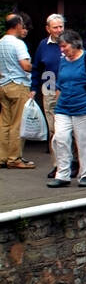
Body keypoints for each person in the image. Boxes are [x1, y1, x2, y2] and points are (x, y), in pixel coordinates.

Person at [47, 30, 86, 187]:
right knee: (60, 139)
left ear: (75, 44)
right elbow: (59, 84)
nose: (62, 50)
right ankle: (63, 175)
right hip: (63, 106)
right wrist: (56, 104)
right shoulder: (64, 60)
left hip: (83, 106)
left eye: (64, 46)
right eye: (60, 47)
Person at [1, 13, 35, 168]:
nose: (24, 27)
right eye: (22, 24)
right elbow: (25, 66)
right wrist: (37, 68)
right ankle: (14, 159)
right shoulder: (18, 43)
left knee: (4, 124)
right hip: (18, 84)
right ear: (17, 26)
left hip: (3, 84)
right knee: (18, 124)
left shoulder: (1, 42)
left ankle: (2, 157)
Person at [29, 14, 64, 156]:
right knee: (53, 129)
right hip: (49, 90)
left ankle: (72, 162)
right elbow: (37, 68)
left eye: (61, 26)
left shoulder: (70, 42)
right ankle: (57, 165)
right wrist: (33, 88)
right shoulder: (43, 45)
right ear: (48, 29)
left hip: (68, 91)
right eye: (55, 27)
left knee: (67, 130)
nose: (59, 30)